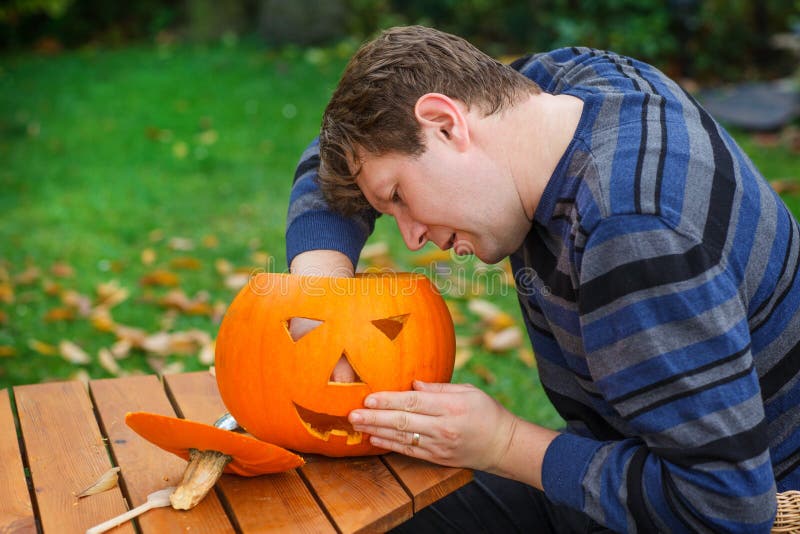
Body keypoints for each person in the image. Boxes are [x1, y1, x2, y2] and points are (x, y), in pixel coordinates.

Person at [285, 25, 800, 533]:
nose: (413, 237)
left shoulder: (631, 232)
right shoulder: (566, 86)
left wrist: (503, 443)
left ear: (445, 124)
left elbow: (726, 510)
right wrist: (322, 299)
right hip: (634, 460)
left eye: (398, 196)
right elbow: (333, 154)